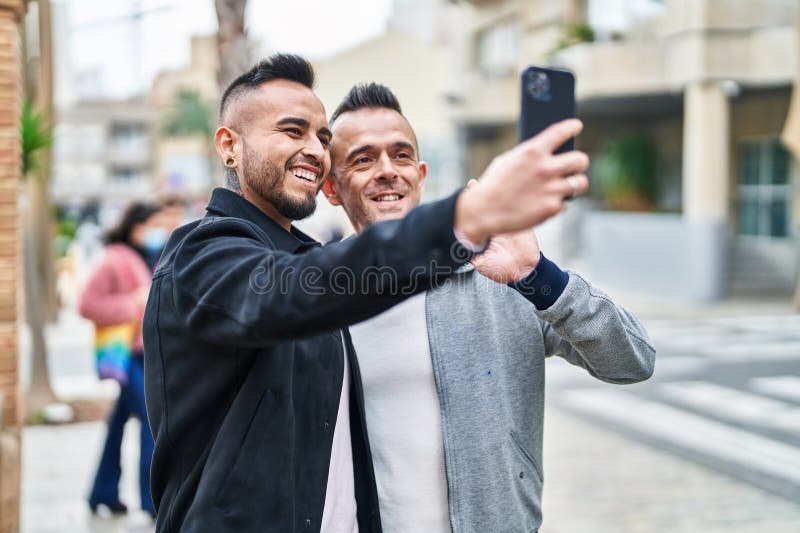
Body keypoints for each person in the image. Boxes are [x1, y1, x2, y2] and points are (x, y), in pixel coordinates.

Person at [142, 54, 588, 533]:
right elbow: (290, 293)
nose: (313, 149)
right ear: (229, 146)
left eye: (321, 138)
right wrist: (466, 219)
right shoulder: (201, 254)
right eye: (293, 132)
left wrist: (532, 274)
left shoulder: (302, 260)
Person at [321, 83, 656, 533]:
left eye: (401, 156)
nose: (387, 171)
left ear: (420, 174)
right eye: (363, 159)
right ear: (331, 188)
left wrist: (538, 276)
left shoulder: (497, 275)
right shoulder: (317, 297)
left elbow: (632, 361)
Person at [79, 202, 170, 518]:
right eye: (152, 225)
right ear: (136, 226)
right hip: (129, 355)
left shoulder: (144, 256)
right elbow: (86, 304)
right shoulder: (115, 258)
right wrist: (131, 305)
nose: (158, 231)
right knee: (150, 423)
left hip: (144, 353)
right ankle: (151, 501)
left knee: (118, 427)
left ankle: (101, 493)